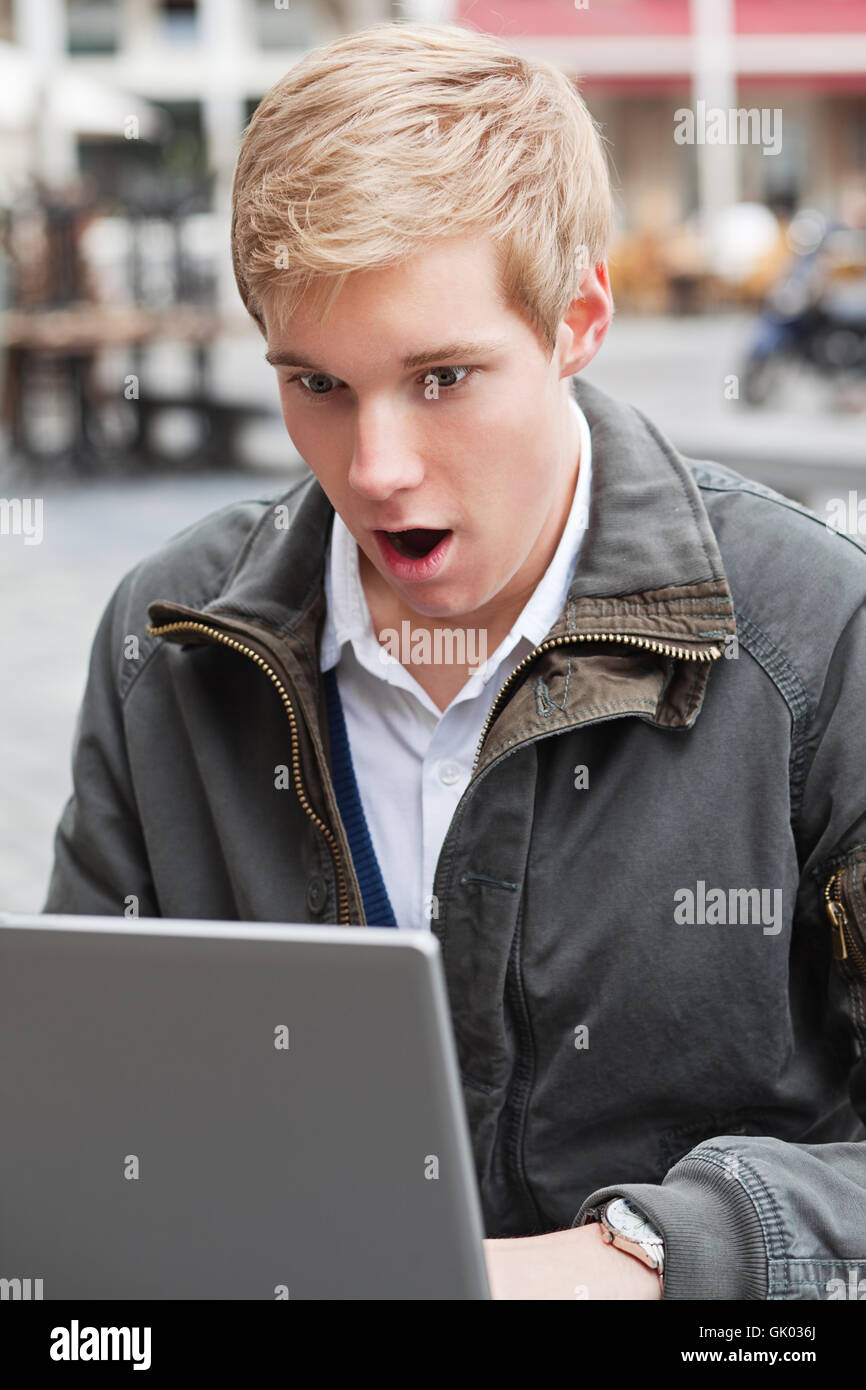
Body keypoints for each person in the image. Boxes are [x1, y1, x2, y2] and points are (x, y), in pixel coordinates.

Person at [43, 21, 866, 1301]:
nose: (374, 468)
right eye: (315, 382)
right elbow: (89, 1122)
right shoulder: (166, 638)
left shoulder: (821, 640)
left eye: (440, 379)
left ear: (578, 317)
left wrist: (639, 1260)